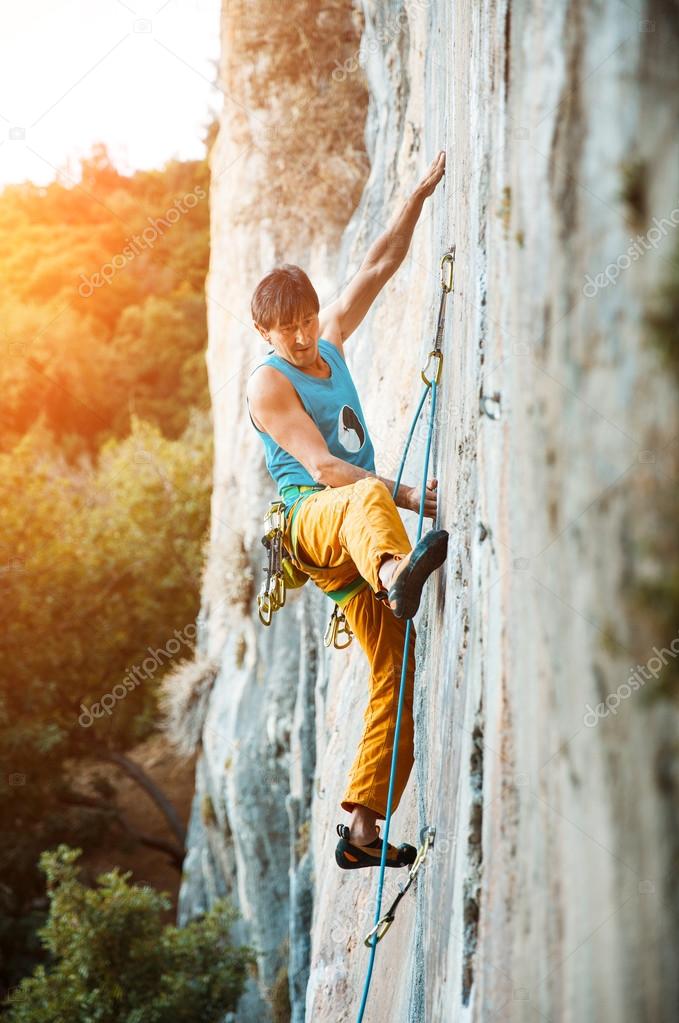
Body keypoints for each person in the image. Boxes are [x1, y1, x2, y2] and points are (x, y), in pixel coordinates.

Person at [246, 151, 449, 870]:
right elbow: (329, 470)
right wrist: (407, 498)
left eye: (304, 322)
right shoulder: (268, 386)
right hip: (315, 523)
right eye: (287, 332)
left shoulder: (328, 339)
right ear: (266, 334)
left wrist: (418, 195)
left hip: (354, 536)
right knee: (360, 488)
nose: (301, 338)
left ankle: (362, 829)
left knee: (397, 659)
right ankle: (398, 569)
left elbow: (377, 265)